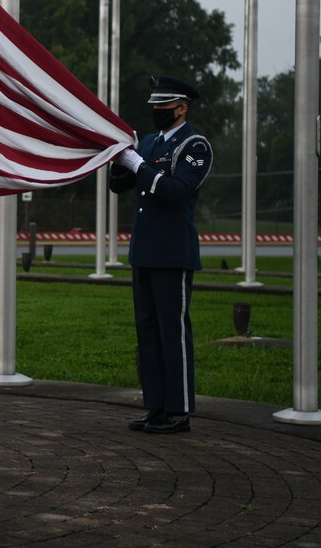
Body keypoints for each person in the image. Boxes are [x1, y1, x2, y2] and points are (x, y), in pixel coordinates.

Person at [108, 75, 212, 435]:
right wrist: (119, 159)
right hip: (144, 250)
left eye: (163, 107)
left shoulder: (194, 146)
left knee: (173, 332)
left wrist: (138, 165)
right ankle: (156, 405)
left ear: (181, 108)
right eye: (154, 106)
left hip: (172, 252)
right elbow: (118, 185)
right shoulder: (150, 142)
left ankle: (178, 410)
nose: (156, 111)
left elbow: (176, 190)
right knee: (148, 332)